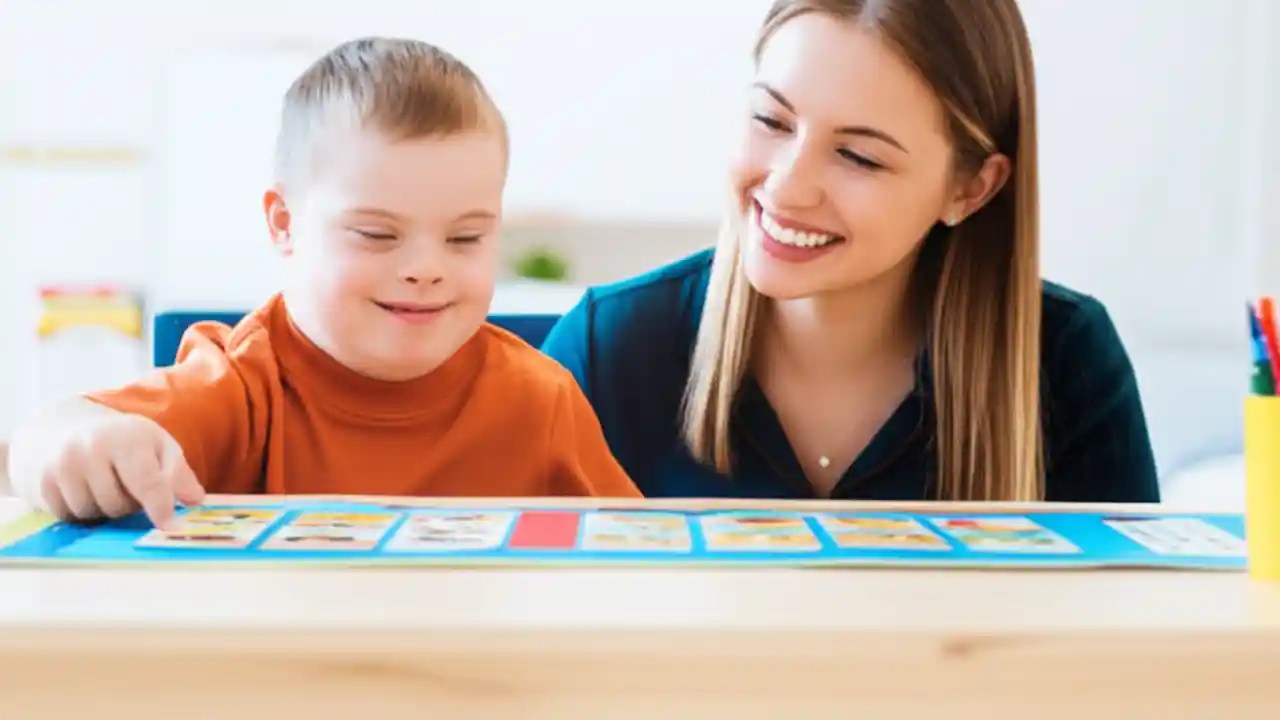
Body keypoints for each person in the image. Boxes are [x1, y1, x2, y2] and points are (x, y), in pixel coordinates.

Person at [8, 37, 640, 529]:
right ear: (285, 225)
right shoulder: (243, 386)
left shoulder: (542, 401)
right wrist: (75, 447)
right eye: (377, 234)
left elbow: (645, 561)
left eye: (465, 238)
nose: (427, 267)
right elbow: (41, 441)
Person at [542, 0, 1159, 502]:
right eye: (771, 121)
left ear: (971, 189)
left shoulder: (1067, 362)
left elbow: (1125, 647)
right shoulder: (607, 348)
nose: (785, 186)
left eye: (858, 156)